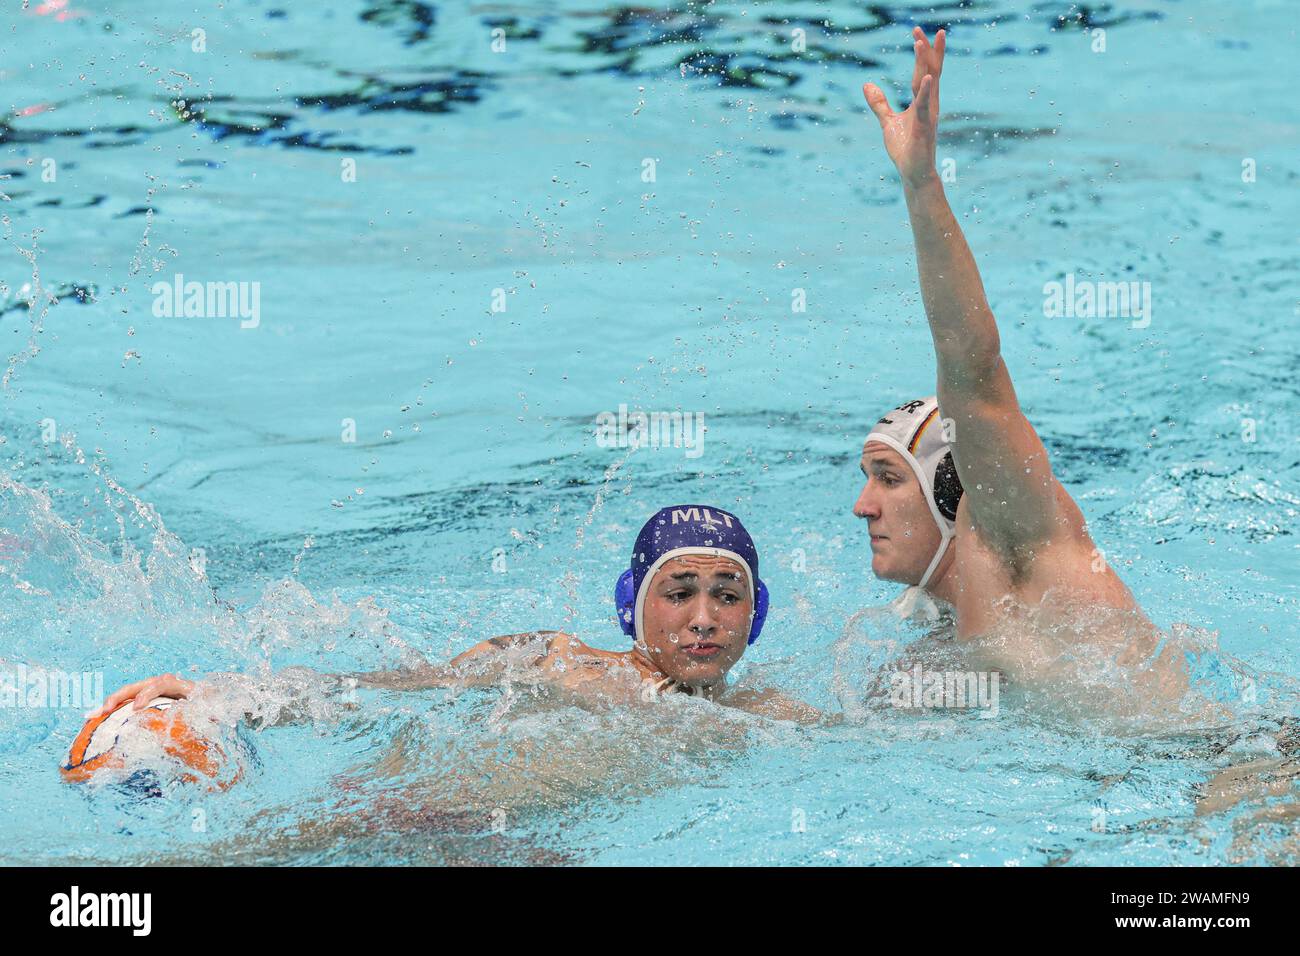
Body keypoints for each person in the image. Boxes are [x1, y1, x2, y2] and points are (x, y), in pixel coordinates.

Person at [854, 28, 1187, 704]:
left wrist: (921, 185)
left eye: (888, 478)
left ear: (955, 486)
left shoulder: (1012, 534)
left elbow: (972, 368)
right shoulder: (936, 654)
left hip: (1225, 762)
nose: (864, 507)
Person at [91, 505, 818, 725]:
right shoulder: (555, 657)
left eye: (727, 595)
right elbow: (391, 687)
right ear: (632, 608)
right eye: (679, 590)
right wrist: (226, 697)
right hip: (438, 815)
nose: (703, 618)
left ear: (755, 617)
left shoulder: (772, 713)